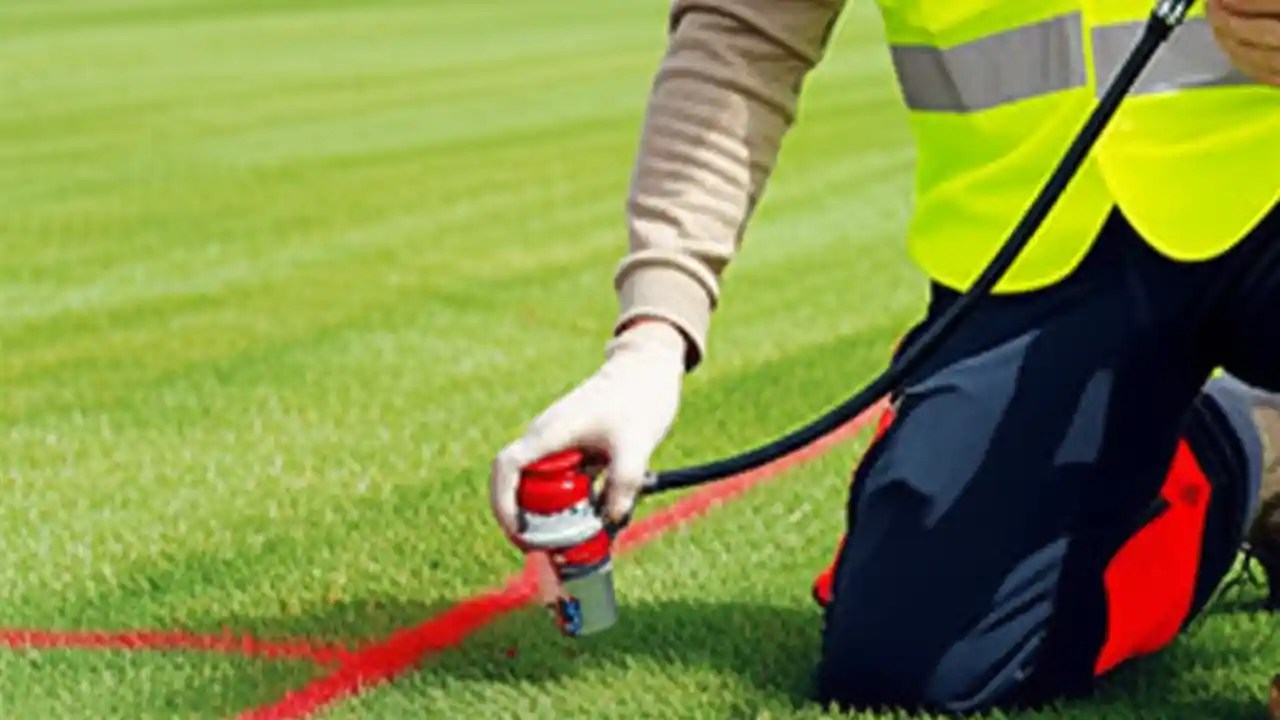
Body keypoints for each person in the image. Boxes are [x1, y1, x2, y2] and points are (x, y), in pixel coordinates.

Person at [491, 0, 1280, 714]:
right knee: (912, 666)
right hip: (1035, 250)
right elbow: (743, 29)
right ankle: (1249, 450)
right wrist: (650, 343)